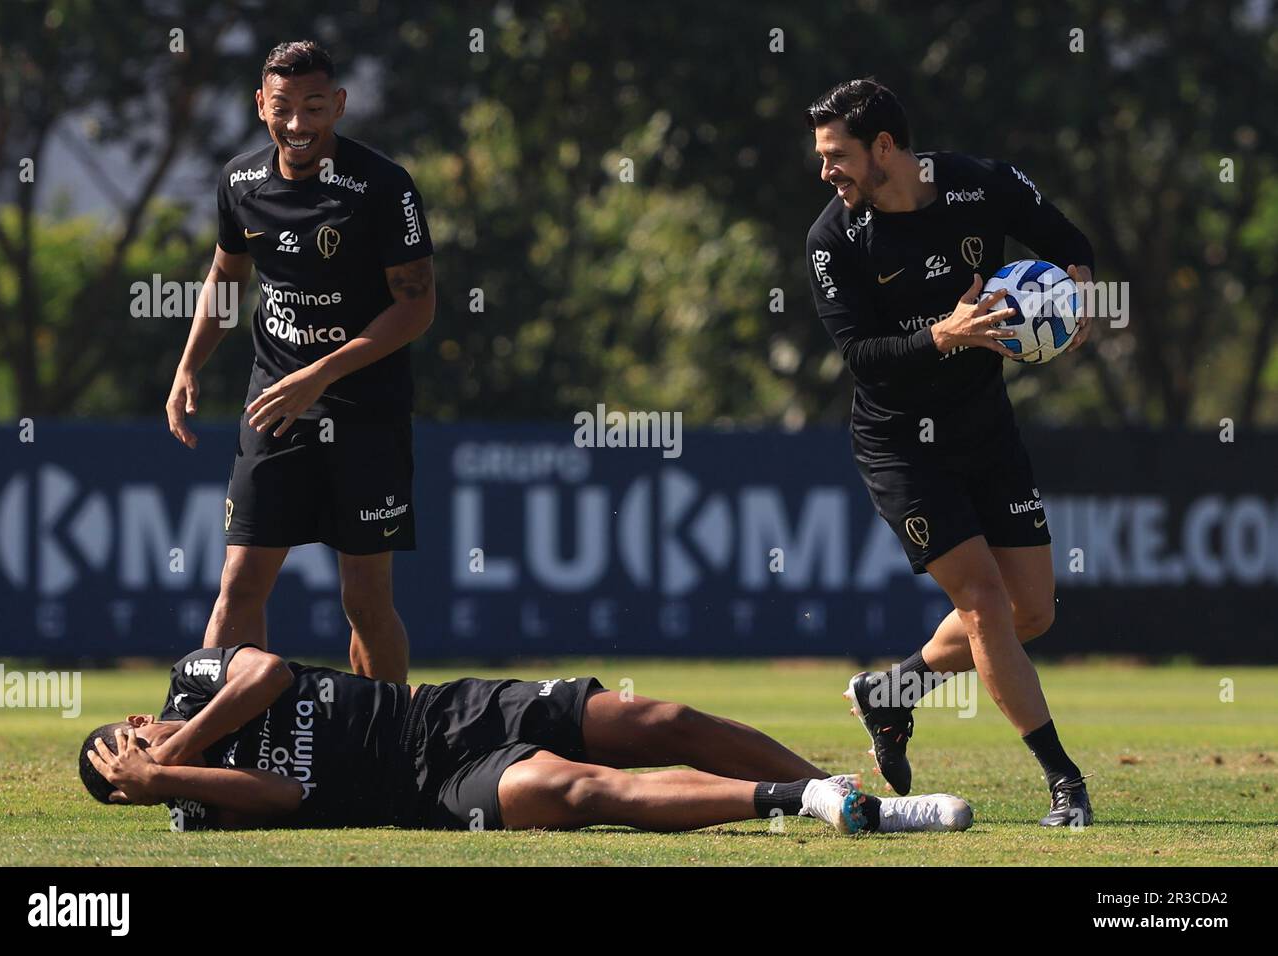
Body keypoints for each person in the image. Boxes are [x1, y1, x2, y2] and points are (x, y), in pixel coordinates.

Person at [803, 77, 1094, 826]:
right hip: (901, 445)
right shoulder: (834, 239)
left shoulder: (979, 185)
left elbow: (1067, 242)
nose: (827, 171)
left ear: (886, 149)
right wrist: (944, 335)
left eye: (837, 155)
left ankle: (890, 692)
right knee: (985, 603)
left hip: (984, 426)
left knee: (1033, 610)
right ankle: (1064, 782)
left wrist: (1081, 293)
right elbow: (863, 356)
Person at [165, 40, 434, 682]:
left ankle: (387, 752)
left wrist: (321, 372)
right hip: (273, 405)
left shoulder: (383, 185)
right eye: (282, 107)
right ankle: (218, 746)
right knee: (240, 583)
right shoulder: (240, 183)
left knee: (364, 599)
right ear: (261, 104)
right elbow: (227, 277)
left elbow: (416, 309)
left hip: (366, 410)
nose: (297, 124)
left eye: (313, 107)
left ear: (337, 106)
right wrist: (188, 364)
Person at [79, 643, 972, 835]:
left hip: (447, 712)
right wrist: (167, 786)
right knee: (583, 794)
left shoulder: (194, 686)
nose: (138, 766)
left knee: (661, 723)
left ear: (134, 726)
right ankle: (818, 802)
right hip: (423, 793)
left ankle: (869, 806)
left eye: (125, 753)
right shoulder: (194, 807)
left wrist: (176, 750)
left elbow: (268, 674)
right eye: (123, 784)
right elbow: (291, 799)